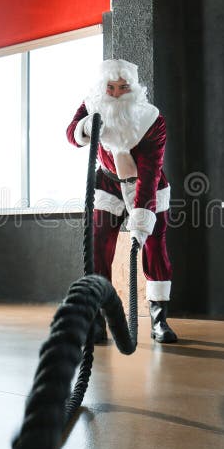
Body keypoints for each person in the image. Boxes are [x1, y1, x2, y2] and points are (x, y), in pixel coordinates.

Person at [66, 58, 178, 343]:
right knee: (98, 250)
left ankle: (158, 320)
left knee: (154, 247)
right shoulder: (92, 104)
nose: (116, 93)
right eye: (111, 87)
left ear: (133, 88)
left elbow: (150, 173)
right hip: (107, 183)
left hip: (146, 185)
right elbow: (71, 135)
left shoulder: (153, 120)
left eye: (123, 87)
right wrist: (85, 127)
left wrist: (141, 221)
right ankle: (99, 319)